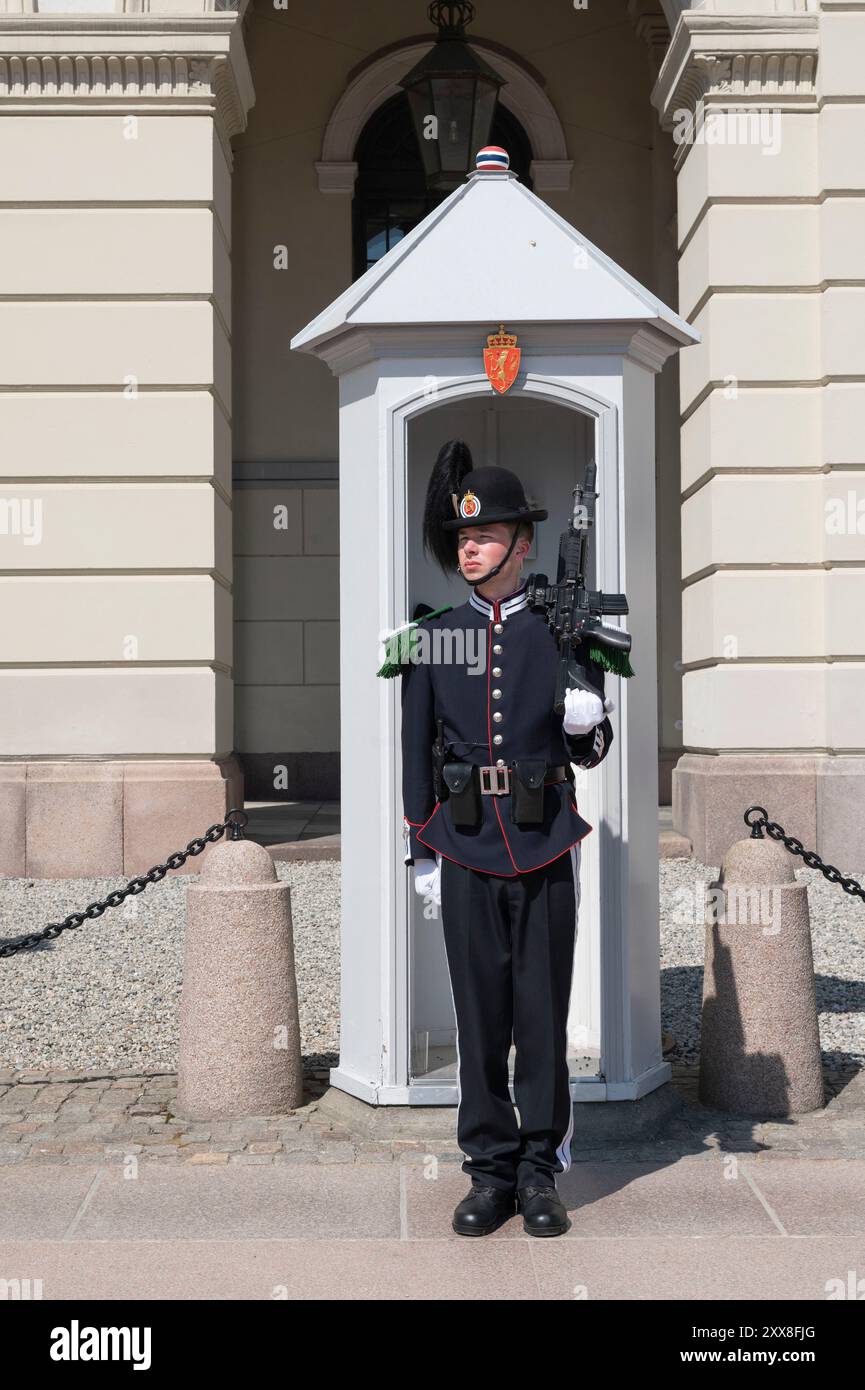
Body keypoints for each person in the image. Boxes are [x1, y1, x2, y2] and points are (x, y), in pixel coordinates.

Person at [400, 439, 614, 1237]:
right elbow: (415, 750)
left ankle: (538, 1170)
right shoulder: (434, 635)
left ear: (520, 547)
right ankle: (486, 1173)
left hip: (545, 841)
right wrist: (422, 848)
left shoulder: (561, 631)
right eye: (462, 539)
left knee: (539, 1015)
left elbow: (591, 748)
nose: (470, 549)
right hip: (462, 845)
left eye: (484, 537)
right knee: (479, 1017)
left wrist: (585, 719)